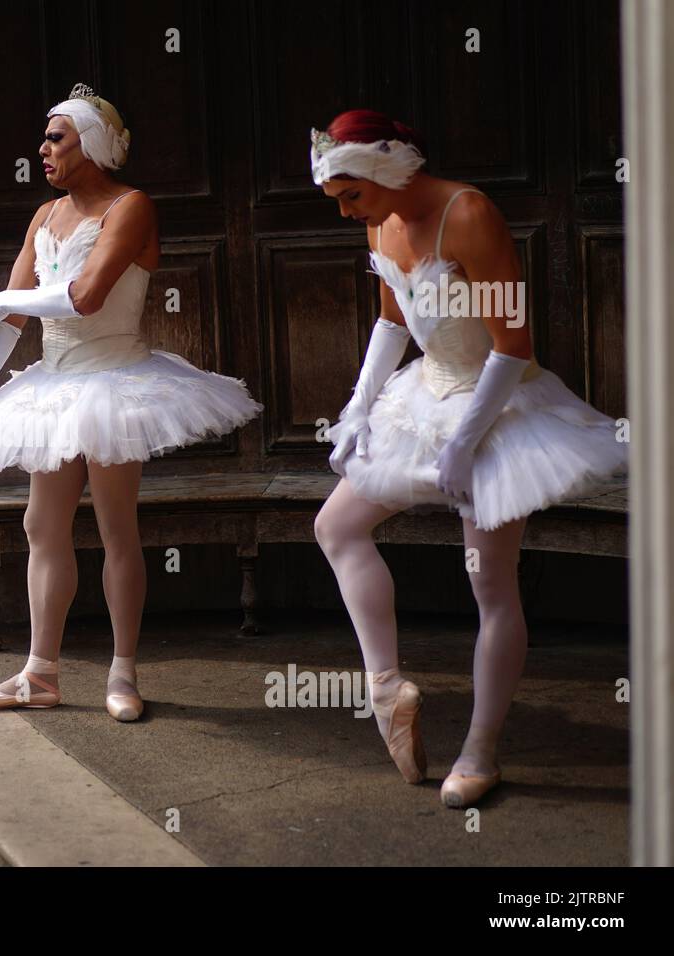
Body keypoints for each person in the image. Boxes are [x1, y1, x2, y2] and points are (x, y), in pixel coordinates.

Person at [309, 109, 628, 807]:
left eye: (351, 193)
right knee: (335, 527)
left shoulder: (470, 213)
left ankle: (481, 752)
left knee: (489, 581)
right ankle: (388, 689)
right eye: (337, 197)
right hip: (424, 395)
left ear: (389, 167)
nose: (345, 210)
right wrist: (359, 407)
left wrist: (464, 443)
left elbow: (512, 345)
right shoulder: (379, 220)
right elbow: (393, 320)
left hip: (498, 402)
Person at [0, 83, 262, 722]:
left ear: (94, 144)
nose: (43, 148)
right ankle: (39, 673)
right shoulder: (45, 216)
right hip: (54, 385)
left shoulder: (130, 208)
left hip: (116, 382)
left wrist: (6, 300)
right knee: (39, 526)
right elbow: (10, 324)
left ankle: (123, 674)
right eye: (46, 138)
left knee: (117, 530)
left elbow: (85, 294)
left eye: (56, 137)